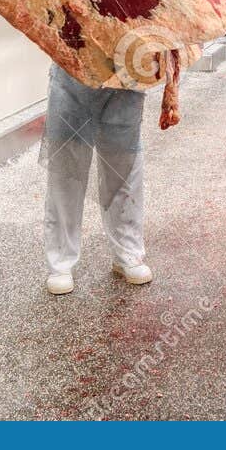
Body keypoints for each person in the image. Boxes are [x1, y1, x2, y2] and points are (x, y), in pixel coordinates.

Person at [42, 66, 154, 295]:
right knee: (66, 165)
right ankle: (60, 261)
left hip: (126, 69)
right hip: (73, 69)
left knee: (124, 164)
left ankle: (128, 253)